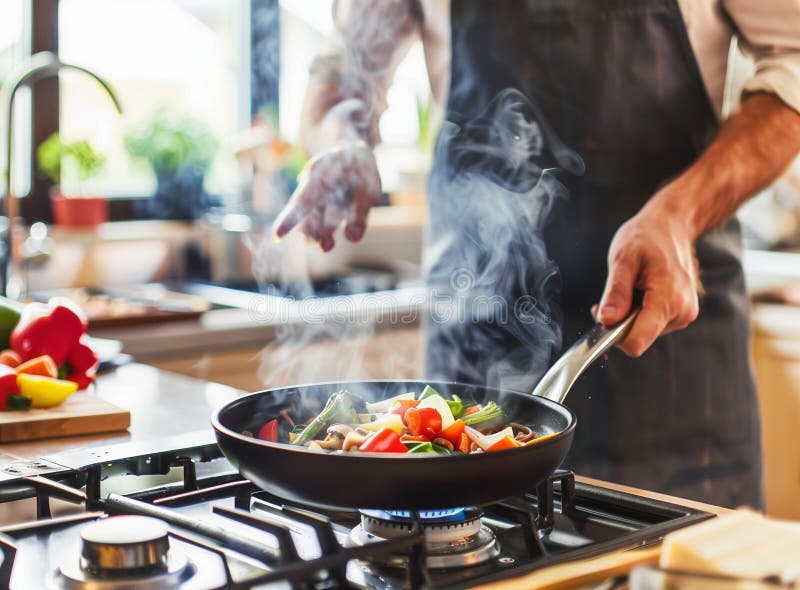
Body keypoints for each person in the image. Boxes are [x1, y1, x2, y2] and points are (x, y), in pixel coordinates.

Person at [272, 0, 800, 509]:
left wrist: (682, 212)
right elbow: (342, 74)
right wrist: (342, 139)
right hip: (476, 347)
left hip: (669, 345)